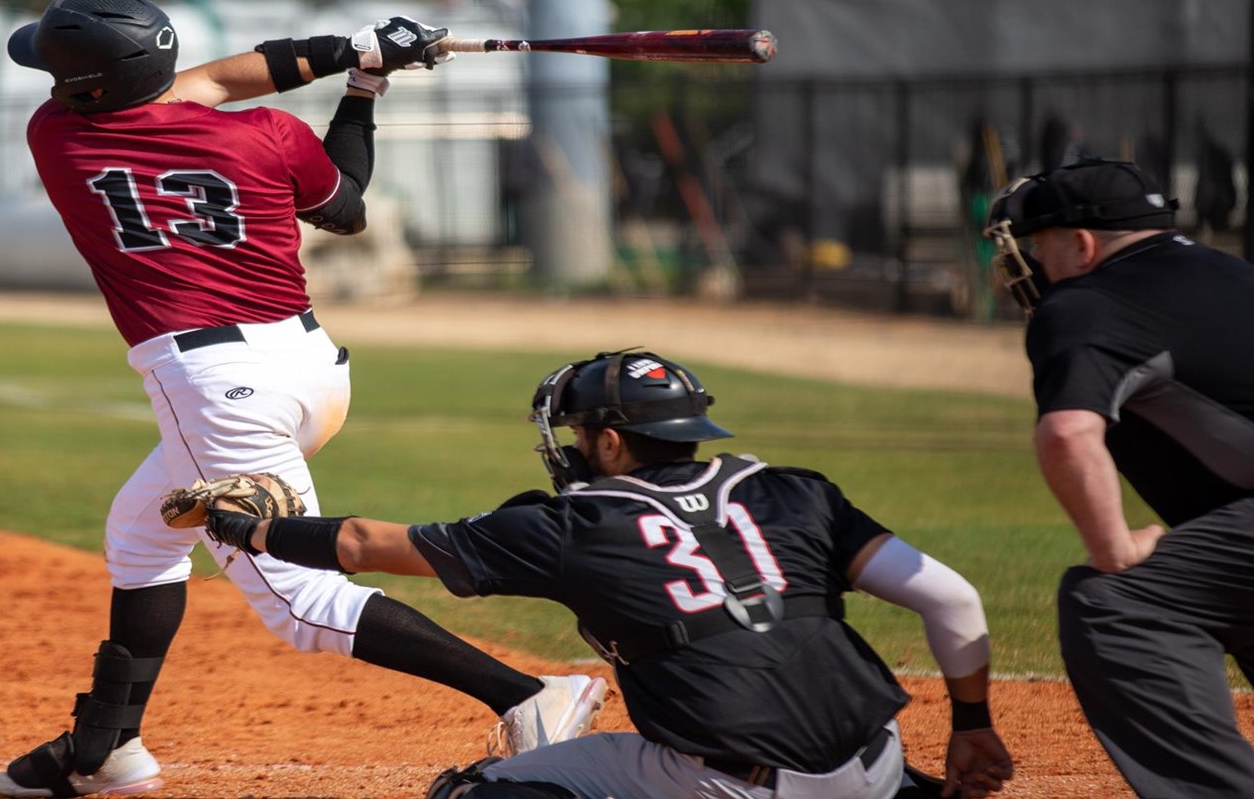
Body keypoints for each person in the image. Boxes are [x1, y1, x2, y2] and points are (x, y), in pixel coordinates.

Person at [0, 0, 607, 798]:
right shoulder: (268, 135)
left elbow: (206, 83)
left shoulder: (58, 134)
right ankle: (105, 750)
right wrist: (361, 78)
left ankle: (528, 695)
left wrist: (355, 53)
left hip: (214, 389)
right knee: (140, 536)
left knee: (299, 599)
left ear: (90, 86)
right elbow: (344, 206)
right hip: (308, 368)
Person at [196, 349, 1017, 799]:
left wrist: (248, 528)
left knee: (479, 795)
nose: (572, 449)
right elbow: (949, 596)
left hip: (723, 786)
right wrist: (973, 723)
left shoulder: (570, 524)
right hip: (873, 766)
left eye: (581, 435)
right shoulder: (791, 490)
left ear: (613, 443)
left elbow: (366, 546)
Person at [985, 157, 1254, 798]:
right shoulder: (1233, 274)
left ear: (1080, 245)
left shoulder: (1086, 302)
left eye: (1040, 247)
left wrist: (1115, 550)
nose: (1033, 265)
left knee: (1118, 601)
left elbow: (1068, 434)